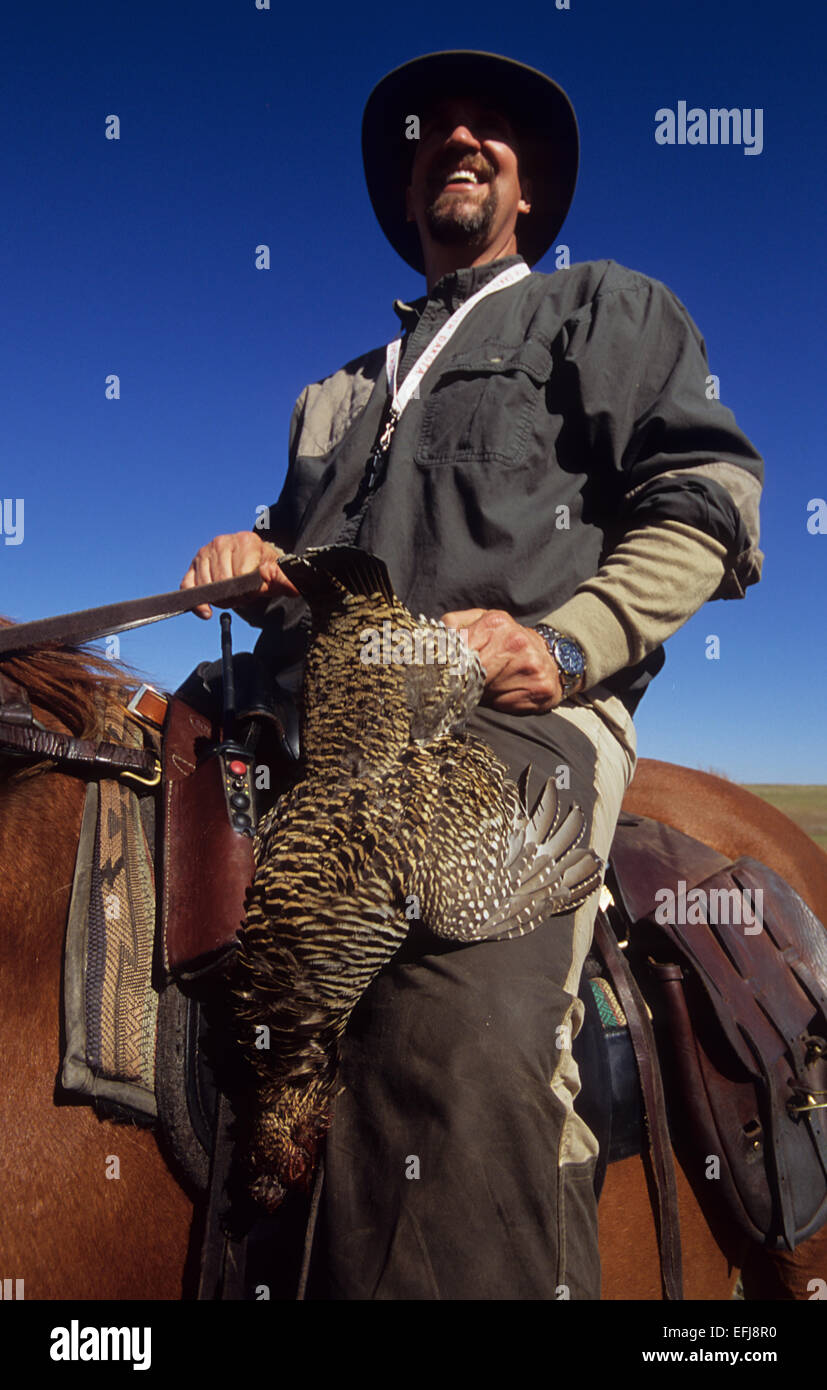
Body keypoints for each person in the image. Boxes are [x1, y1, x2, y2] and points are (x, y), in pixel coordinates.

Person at [180, 51, 764, 1299]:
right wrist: (254, 561)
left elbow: (707, 506)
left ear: (528, 191)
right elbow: (300, 568)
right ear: (405, 192)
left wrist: (562, 643)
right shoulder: (329, 399)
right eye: (432, 130)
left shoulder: (600, 310)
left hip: (501, 721)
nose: (457, 138)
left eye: (487, 127)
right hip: (316, 717)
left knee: (439, 1033)